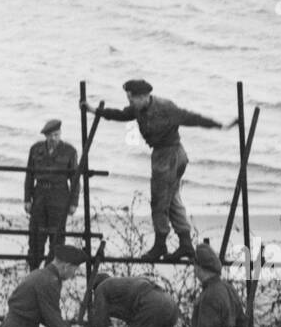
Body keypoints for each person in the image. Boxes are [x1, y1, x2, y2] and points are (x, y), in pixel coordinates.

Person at [82, 80, 236, 263]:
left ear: (142, 96)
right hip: (165, 155)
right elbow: (121, 114)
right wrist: (93, 110)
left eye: (131, 98)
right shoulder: (138, 108)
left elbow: (191, 118)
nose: (129, 102)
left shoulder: (165, 107)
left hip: (170, 155)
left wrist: (220, 126)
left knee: (159, 201)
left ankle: (160, 243)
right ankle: (186, 244)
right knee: (171, 199)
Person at [24, 119, 80, 270]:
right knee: (36, 237)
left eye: (56, 135)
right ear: (46, 136)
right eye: (50, 136)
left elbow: (75, 179)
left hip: (59, 197)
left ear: (60, 133)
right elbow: (29, 175)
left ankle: (51, 274)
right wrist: (27, 199)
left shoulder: (70, 151)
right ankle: (34, 272)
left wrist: (74, 202)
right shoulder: (36, 149)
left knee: (57, 239)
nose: (53, 138)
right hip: (40, 196)